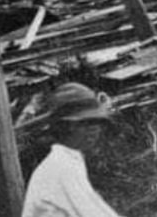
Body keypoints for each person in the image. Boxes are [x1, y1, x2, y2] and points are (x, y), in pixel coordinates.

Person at [21, 83, 122, 217]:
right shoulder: (60, 167)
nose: (93, 129)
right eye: (83, 123)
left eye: (96, 121)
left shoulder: (69, 160)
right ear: (64, 126)